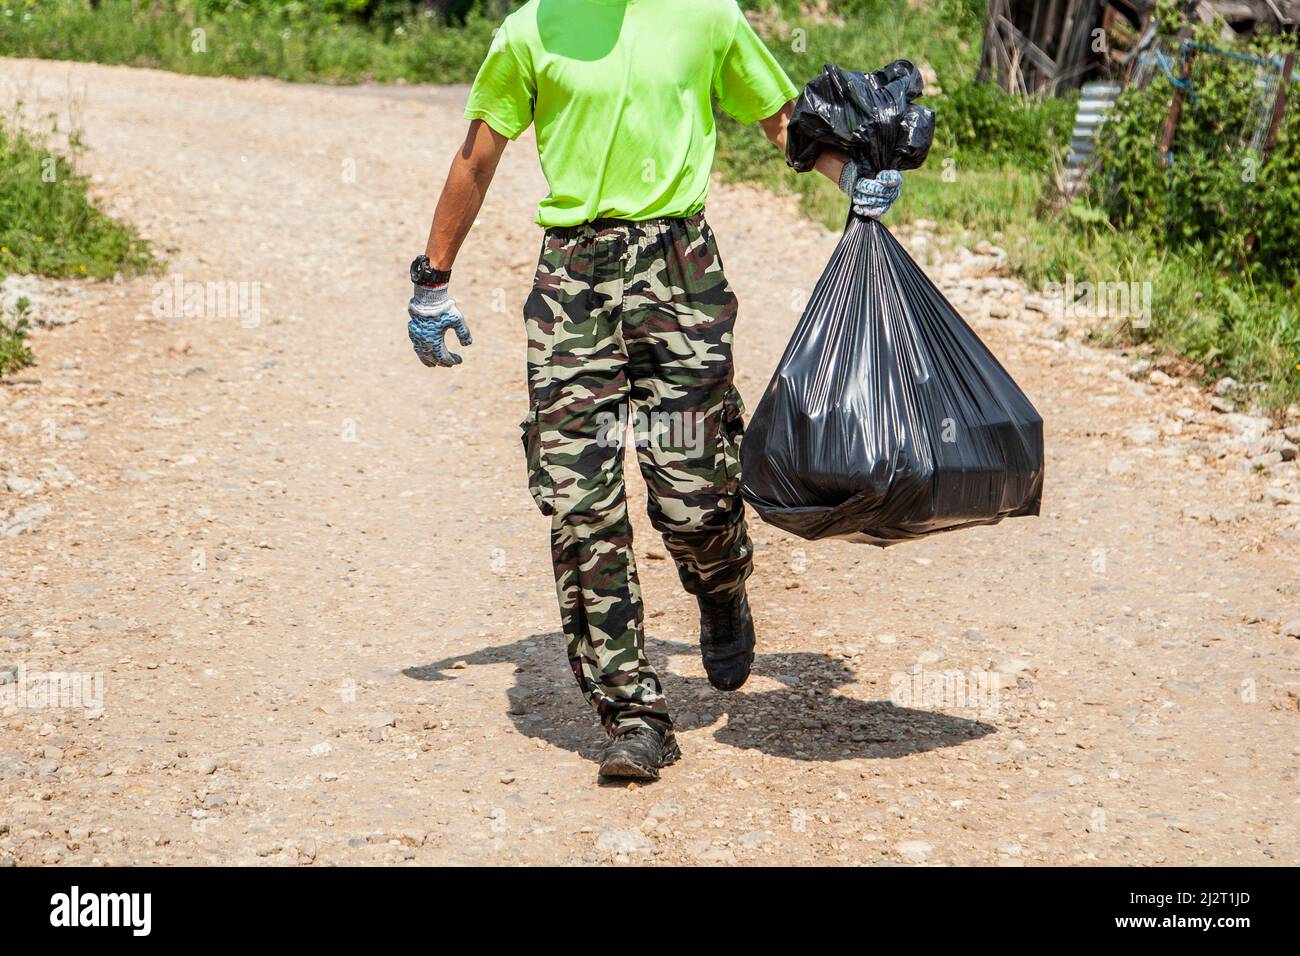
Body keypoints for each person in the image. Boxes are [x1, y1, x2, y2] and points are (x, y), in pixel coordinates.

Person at [407, 0, 901, 781]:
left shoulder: (705, 14)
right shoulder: (531, 29)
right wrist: (432, 278)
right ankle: (632, 713)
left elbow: (779, 118)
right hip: (573, 281)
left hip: (679, 273)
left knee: (694, 495)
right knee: (578, 502)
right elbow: (477, 155)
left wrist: (852, 178)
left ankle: (719, 580)